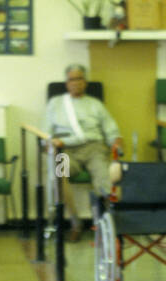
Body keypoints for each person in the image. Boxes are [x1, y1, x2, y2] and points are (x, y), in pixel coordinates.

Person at [43, 64, 122, 242]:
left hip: (94, 147)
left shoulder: (95, 105)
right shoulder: (56, 104)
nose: (75, 83)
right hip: (65, 148)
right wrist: (49, 145)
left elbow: (112, 130)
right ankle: (75, 222)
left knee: (104, 177)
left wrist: (116, 142)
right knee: (59, 172)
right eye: (72, 79)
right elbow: (46, 134)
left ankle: (106, 224)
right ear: (66, 83)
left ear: (85, 82)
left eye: (79, 79)